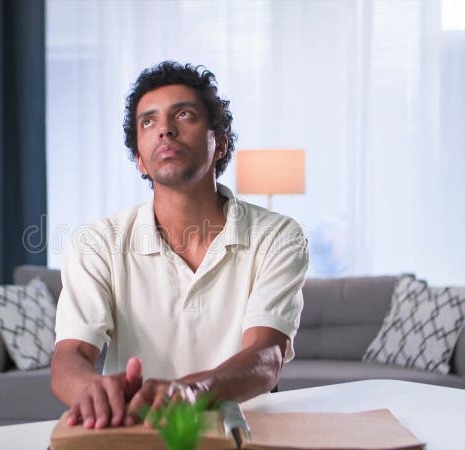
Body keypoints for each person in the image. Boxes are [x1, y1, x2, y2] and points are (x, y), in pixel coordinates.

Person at [50, 61, 308, 430]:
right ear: (139, 159)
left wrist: (193, 390)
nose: (166, 130)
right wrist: (88, 387)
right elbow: (70, 355)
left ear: (219, 143)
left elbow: (267, 355)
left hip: (240, 428)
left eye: (184, 114)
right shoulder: (96, 242)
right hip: (135, 431)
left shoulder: (279, 235)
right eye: (148, 122)